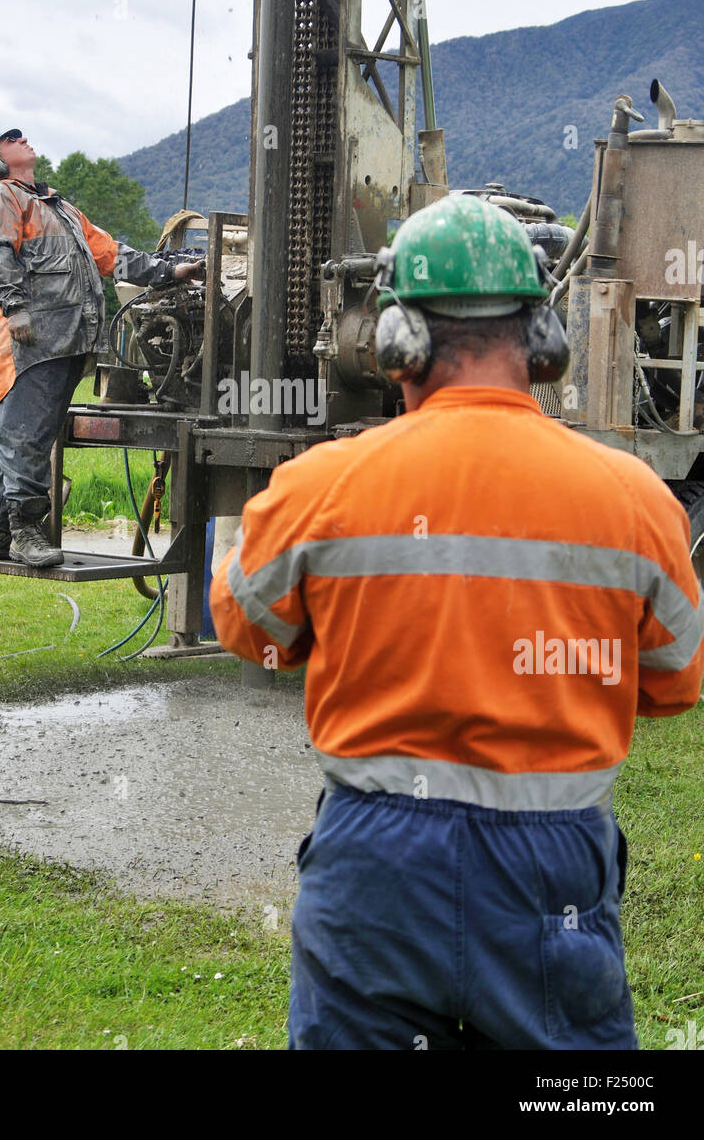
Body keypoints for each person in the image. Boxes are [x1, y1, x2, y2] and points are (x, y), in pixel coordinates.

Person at [209, 193, 703, 1051]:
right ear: (541, 343)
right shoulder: (634, 500)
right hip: (552, 867)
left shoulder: (319, 485)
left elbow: (251, 633)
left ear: (397, 343)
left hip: (375, 860)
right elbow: (673, 685)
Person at [0, 127, 204, 567]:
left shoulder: (60, 208)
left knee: (22, 434)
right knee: (27, 437)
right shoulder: (1, 197)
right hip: (26, 342)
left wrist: (172, 271)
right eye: (13, 140)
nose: (26, 141)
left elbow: (111, 254)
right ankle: (25, 534)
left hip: (65, 342)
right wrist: (16, 309)